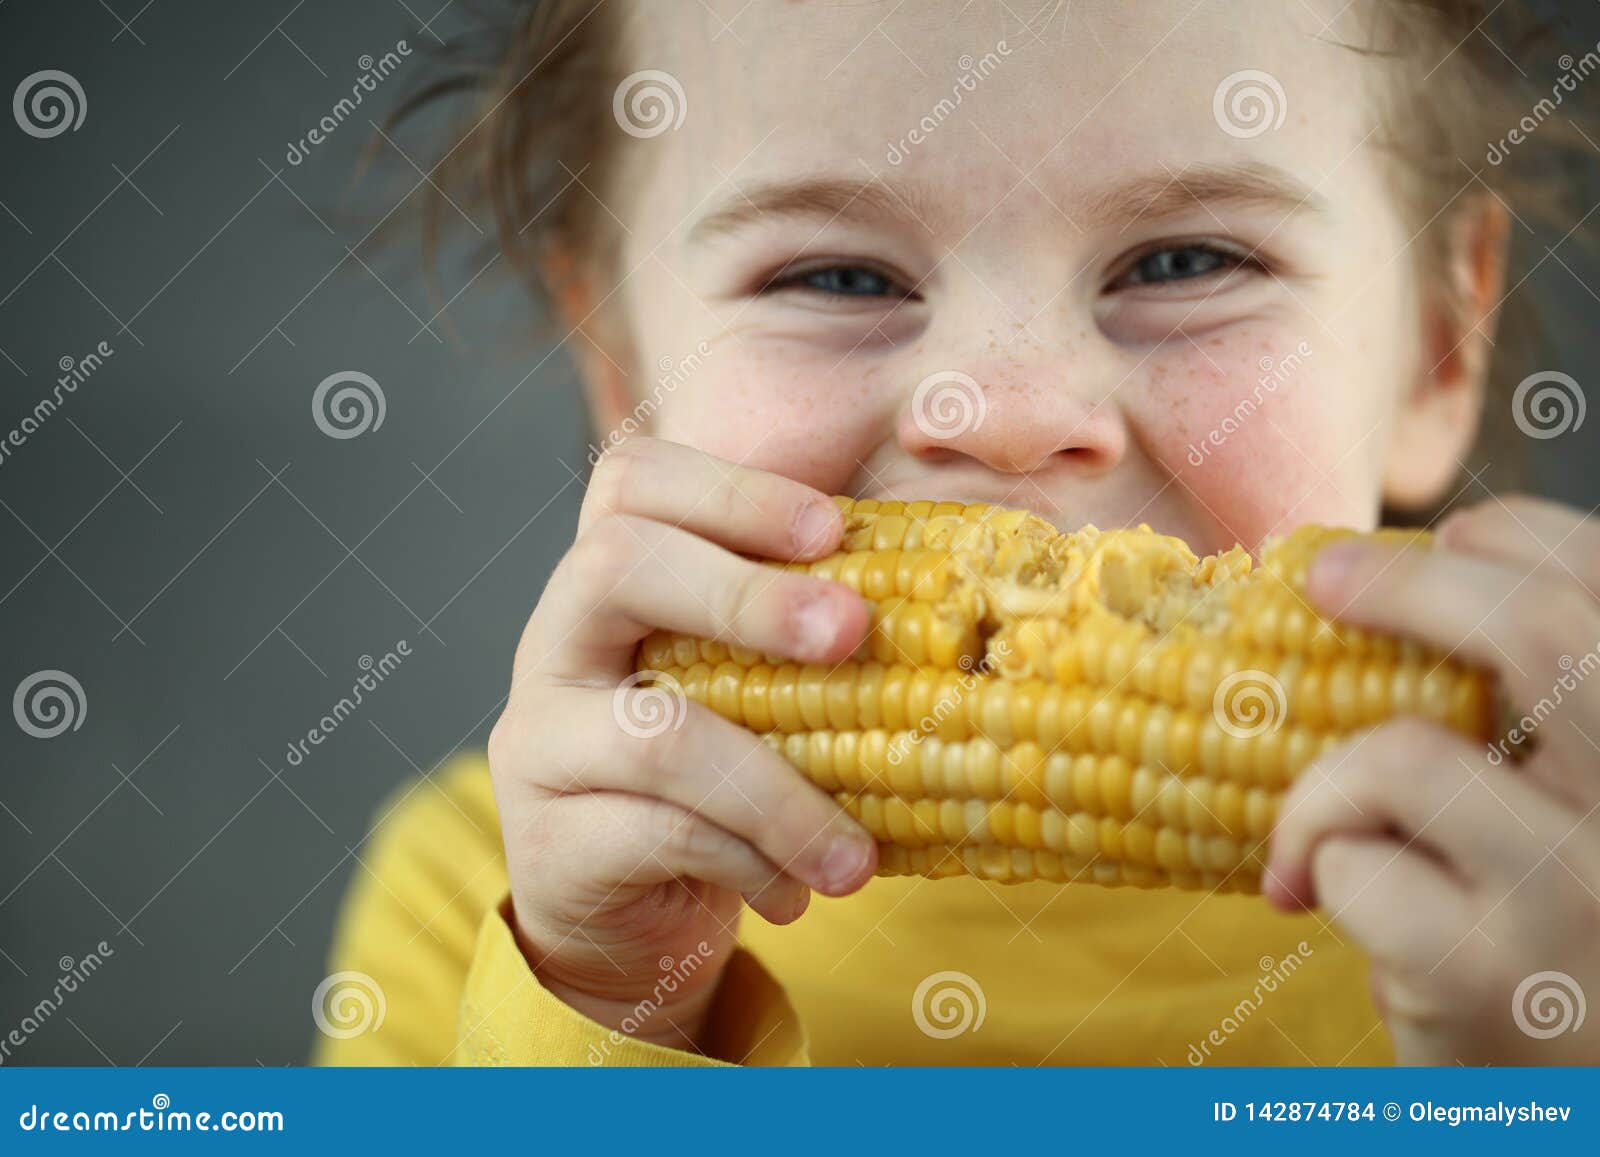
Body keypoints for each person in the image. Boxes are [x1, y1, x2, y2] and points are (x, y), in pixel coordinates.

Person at [316, 0, 1600, 1065]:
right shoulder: (490, 903)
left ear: (1438, 345)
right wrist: (602, 1008)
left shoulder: (1571, 890)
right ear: (622, 372)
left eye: (1182, 263)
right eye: (838, 277)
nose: (1001, 412)